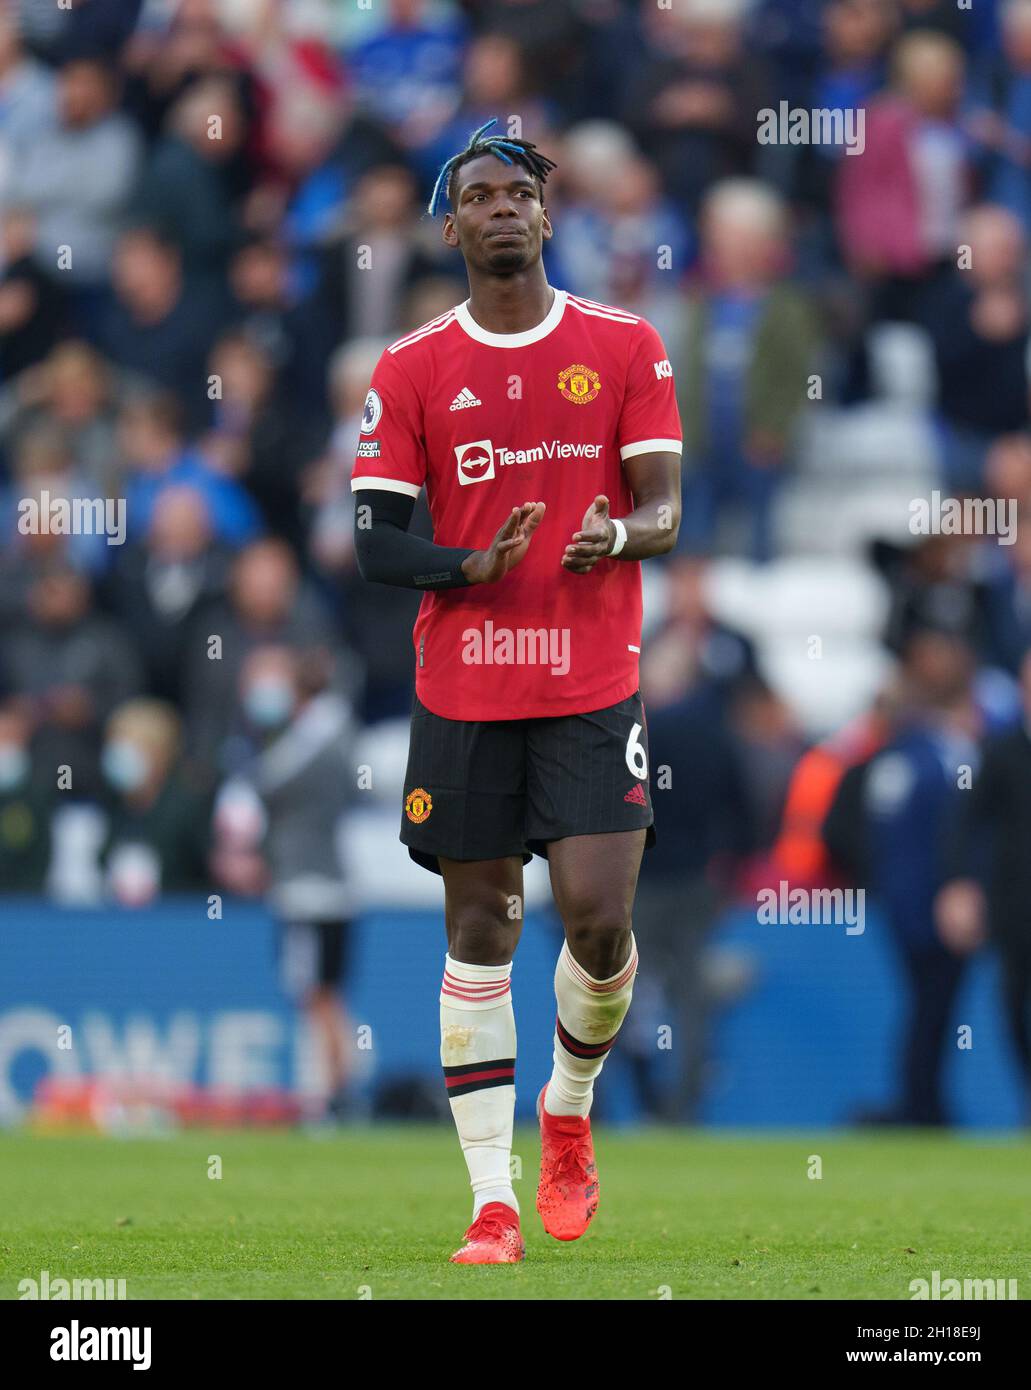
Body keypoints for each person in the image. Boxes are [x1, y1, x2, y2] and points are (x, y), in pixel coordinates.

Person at [351, 120, 682, 1264]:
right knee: (481, 928)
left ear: (546, 216)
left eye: (518, 193)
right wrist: (469, 567)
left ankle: (569, 1112)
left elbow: (666, 510)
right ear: (449, 227)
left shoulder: (624, 343)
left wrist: (619, 535)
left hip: (590, 679)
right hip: (464, 690)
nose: (501, 208)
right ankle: (490, 1201)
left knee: (597, 923)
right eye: (478, 194)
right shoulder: (409, 367)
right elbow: (371, 542)